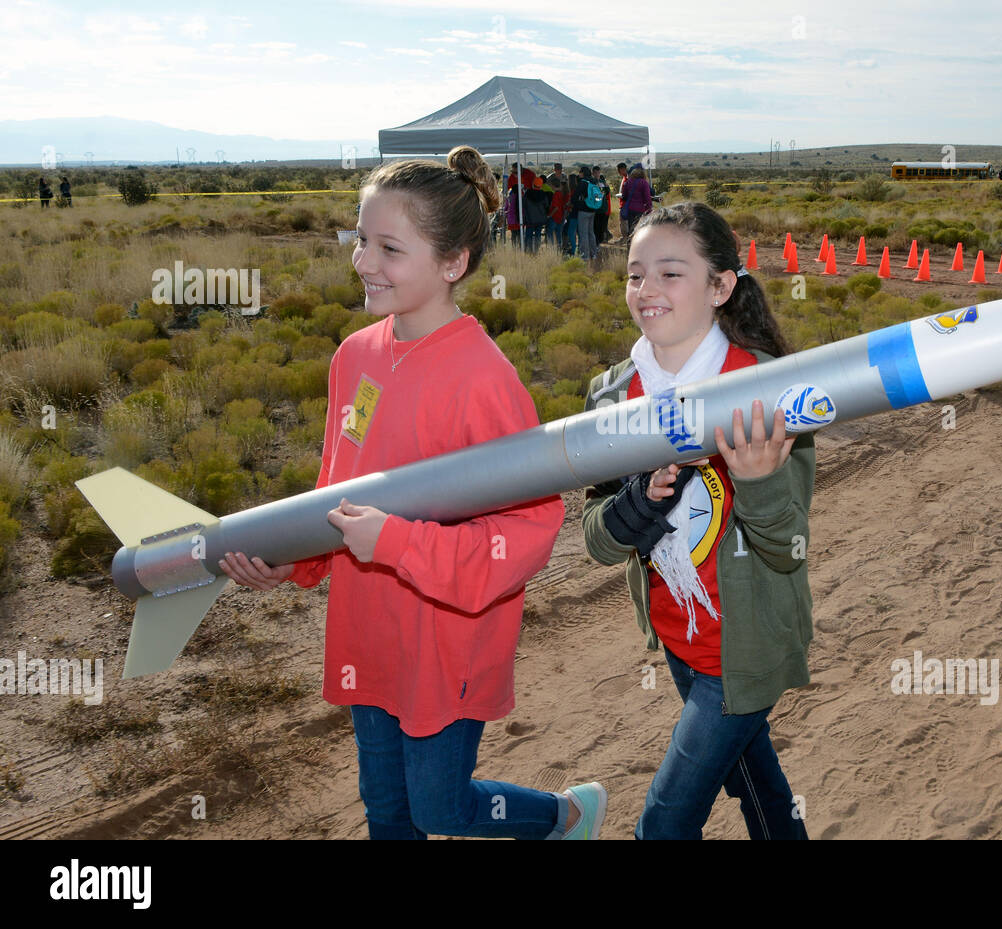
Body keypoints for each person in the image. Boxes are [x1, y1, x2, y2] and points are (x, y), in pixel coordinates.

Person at [218, 147, 605, 841]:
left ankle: (564, 816)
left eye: (389, 248)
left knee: (439, 808)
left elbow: (529, 529)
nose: (364, 262)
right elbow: (333, 495)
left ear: (453, 262)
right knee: (388, 812)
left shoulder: (484, 379)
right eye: (362, 240)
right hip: (369, 630)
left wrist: (398, 541)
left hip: (445, 640)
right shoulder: (354, 356)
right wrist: (294, 560)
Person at [581, 201, 814, 840]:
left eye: (670, 273)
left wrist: (759, 482)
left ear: (720, 287)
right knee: (757, 785)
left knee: (663, 821)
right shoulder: (613, 396)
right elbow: (597, 540)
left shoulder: (767, 389)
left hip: (745, 649)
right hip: (678, 636)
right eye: (635, 273)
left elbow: (788, 546)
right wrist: (636, 505)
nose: (646, 290)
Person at [522, 175, 550, 253]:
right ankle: (536, 251)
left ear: (533, 184)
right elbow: (547, 206)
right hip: (540, 219)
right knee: (538, 235)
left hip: (529, 219)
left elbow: (523, 205)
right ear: (541, 186)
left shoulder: (527, 194)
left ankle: (528, 251)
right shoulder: (543, 194)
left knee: (528, 235)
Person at [622, 163, 653, 233]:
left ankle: (630, 243)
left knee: (631, 228)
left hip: (629, 209)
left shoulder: (628, 182)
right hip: (640, 209)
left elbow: (624, 196)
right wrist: (649, 209)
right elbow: (647, 198)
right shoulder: (644, 183)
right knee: (639, 229)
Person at [593, 166, 612, 245]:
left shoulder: (602, 182)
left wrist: (605, 188)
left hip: (603, 208)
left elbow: (607, 191)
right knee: (596, 228)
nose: (597, 174)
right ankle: (596, 244)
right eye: (596, 173)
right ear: (593, 173)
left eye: (598, 172)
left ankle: (599, 244)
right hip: (595, 209)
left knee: (602, 228)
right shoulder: (592, 182)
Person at [616, 163, 630, 240]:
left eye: (619, 170)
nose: (618, 172)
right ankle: (625, 237)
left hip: (626, 204)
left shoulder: (628, 178)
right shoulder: (624, 178)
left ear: (622, 169)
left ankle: (625, 238)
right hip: (623, 203)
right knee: (623, 222)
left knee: (624, 221)